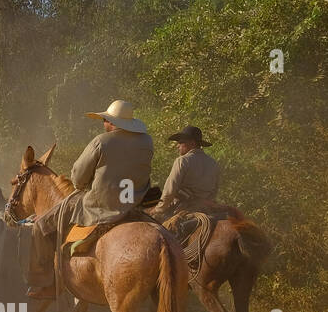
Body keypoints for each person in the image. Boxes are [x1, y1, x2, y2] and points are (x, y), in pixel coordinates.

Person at [28, 99, 154, 299]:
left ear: (113, 123)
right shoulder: (147, 141)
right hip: (135, 202)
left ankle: (44, 283)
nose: (104, 123)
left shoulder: (102, 141)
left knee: (40, 227)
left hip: (101, 205)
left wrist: (82, 186)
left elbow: (78, 176)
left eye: (106, 120)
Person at [155, 125, 221, 220]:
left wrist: (159, 209)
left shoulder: (182, 161)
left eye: (181, 142)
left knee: (158, 228)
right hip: (206, 208)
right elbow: (215, 190)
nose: (178, 145)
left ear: (193, 143)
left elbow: (169, 191)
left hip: (184, 208)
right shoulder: (213, 163)